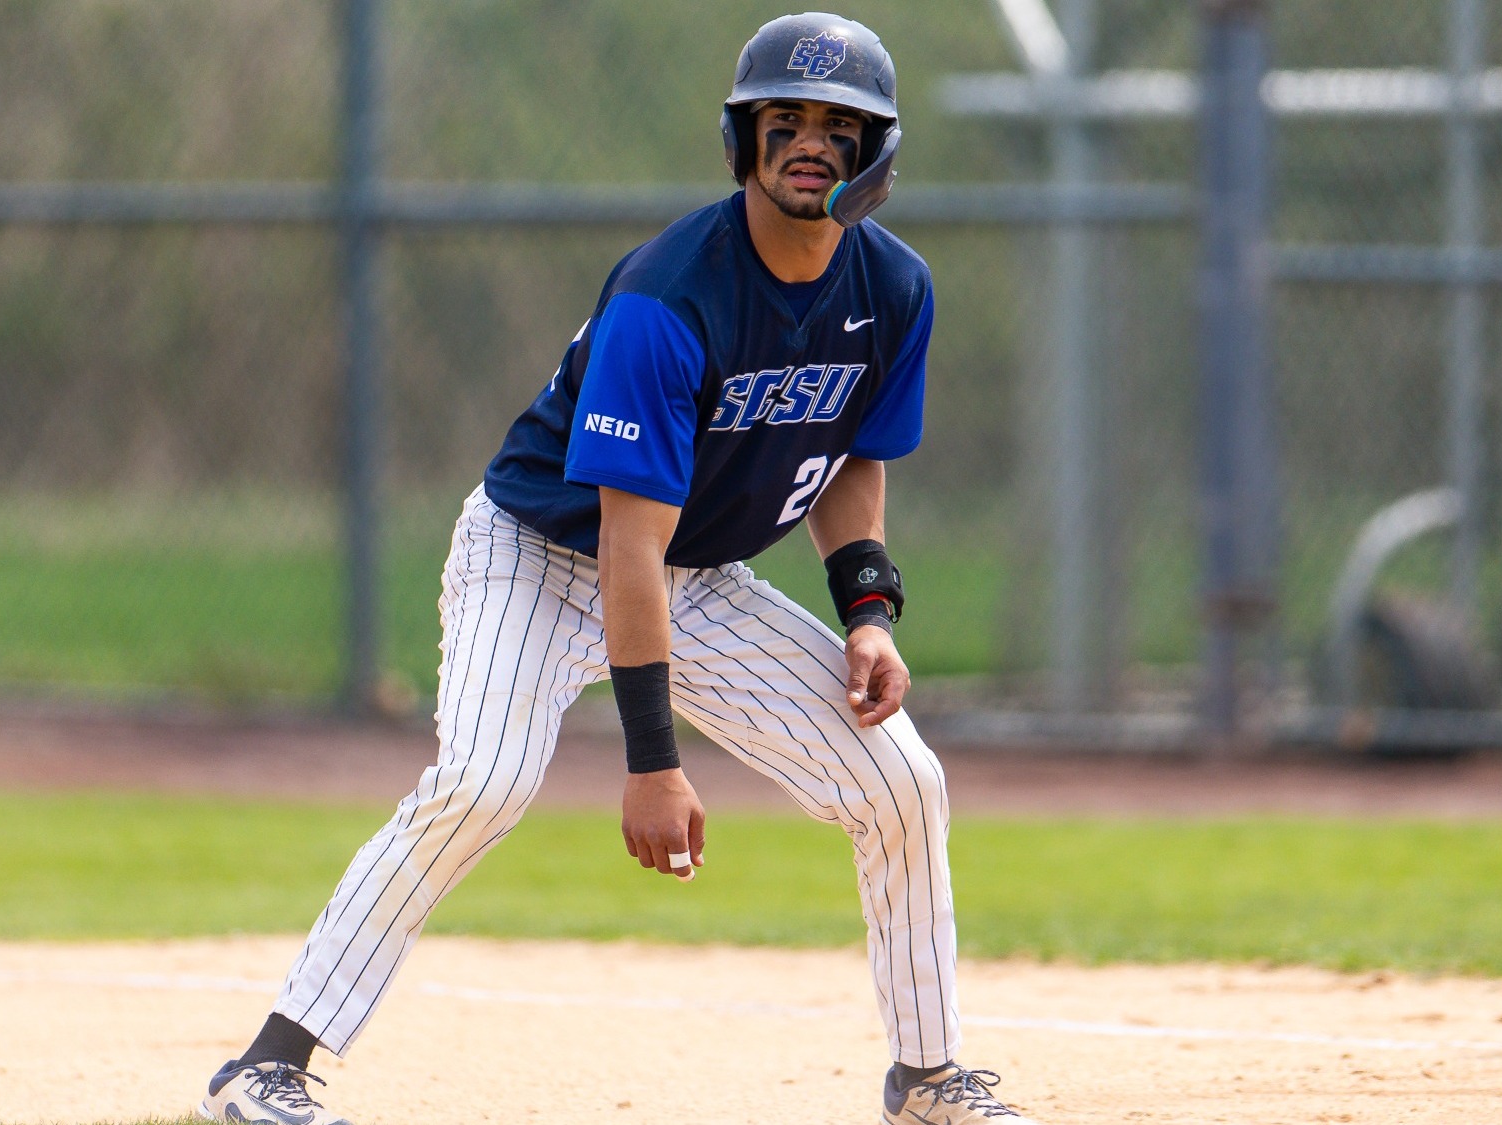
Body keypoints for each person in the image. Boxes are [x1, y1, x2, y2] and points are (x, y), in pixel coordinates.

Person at [197, 12, 1040, 1124]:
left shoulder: (893, 290)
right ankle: (266, 1067)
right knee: (485, 781)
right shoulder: (668, 296)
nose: (806, 143)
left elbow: (844, 466)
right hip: (542, 557)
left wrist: (869, 615)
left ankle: (927, 1078)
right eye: (780, 120)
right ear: (739, 140)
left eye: (838, 127)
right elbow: (624, 543)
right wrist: (652, 761)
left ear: (875, 155)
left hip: (696, 577)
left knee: (900, 783)